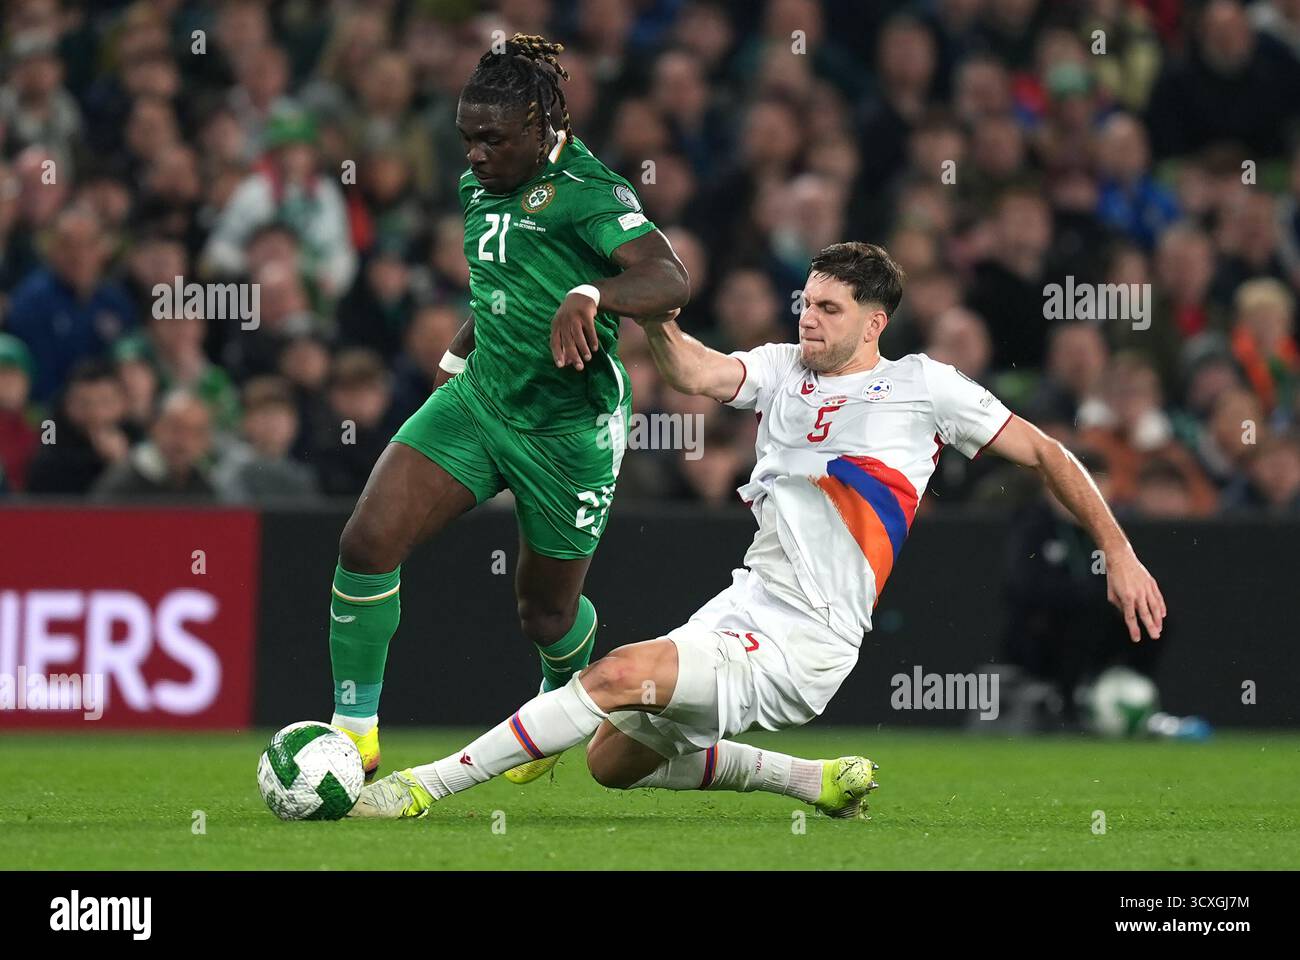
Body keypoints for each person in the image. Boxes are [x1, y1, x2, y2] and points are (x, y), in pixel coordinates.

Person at [349, 241, 1165, 820]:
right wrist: (650, 309)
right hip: (744, 606)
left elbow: (1048, 453)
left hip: (811, 638)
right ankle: (810, 782)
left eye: (828, 308)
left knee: (614, 675)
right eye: (805, 302)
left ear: (874, 323)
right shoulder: (783, 367)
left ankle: (422, 788)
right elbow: (699, 371)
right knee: (609, 763)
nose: (808, 318)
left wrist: (1118, 552)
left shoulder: (926, 389)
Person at [327, 35, 689, 785]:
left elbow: (668, 277)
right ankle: (352, 732)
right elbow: (503, 285)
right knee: (367, 542)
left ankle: (562, 693)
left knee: (545, 617)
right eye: (467, 139)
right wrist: (457, 359)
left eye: (494, 139)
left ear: (544, 126)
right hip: (481, 398)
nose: (477, 155)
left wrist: (592, 294)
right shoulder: (478, 188)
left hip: (568, 429)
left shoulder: (591, 194)